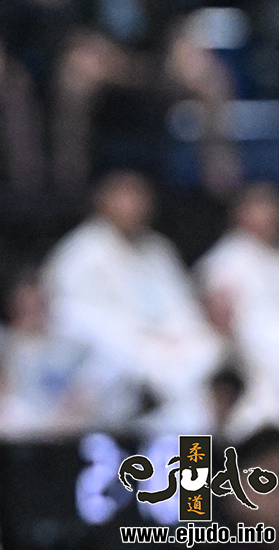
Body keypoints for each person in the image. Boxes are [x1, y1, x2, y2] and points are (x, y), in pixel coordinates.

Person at [42, 170, 223, 435]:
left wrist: (172, 336)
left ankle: (190, 475)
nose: (133, 208)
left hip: (170, 354)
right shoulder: (82, 252)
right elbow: (74, 315)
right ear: (103, 203)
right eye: (125, 199)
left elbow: (182, 307)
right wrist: (142, 338)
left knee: (200, 384)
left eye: (139, 200)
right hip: (110, 359)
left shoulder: (157, 250)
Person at [197, 183, 279, 438]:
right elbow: (217, 314)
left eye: (271, 207)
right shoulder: (228, 256)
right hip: (244, 350)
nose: (267, 214)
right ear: (240, 213)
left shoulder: (273, 257)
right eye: (258, 207)